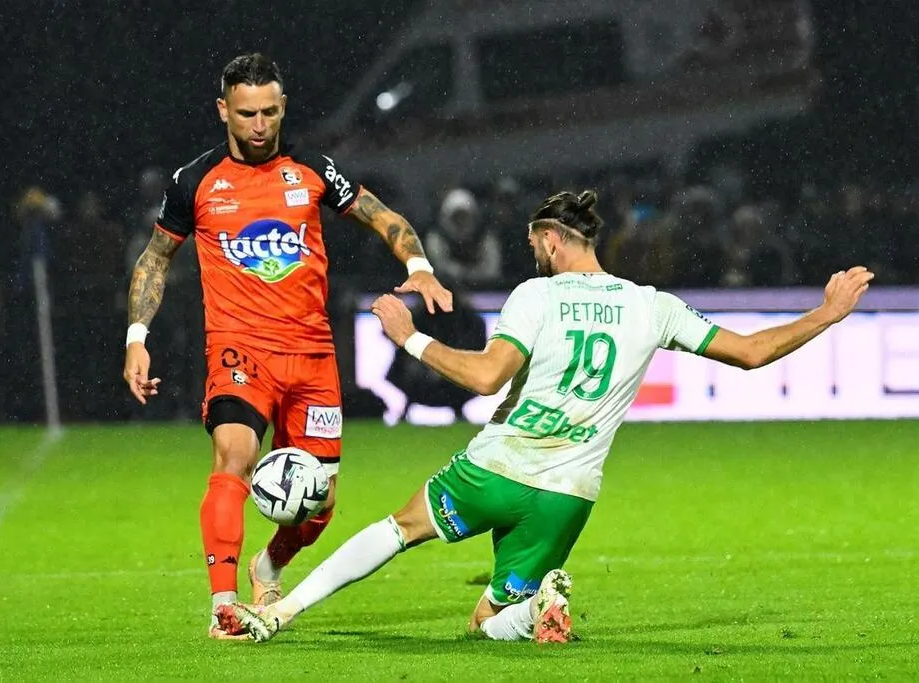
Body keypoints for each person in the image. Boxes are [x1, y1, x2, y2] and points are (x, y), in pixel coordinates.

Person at [222, 189, 874, 644]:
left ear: (555, 240)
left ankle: (280, 613)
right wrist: (827, 314)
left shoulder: (538, 295)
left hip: (498, 467)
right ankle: (537, 609)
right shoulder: (653, 305)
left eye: (536, 242)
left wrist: (409, 338)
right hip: (568, 493)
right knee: (487, 623)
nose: (533, 253)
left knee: (399, 528)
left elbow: (486, 377)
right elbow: (753, 352)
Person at [121, 53, 453, 640]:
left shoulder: (311, 169)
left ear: (283, 107)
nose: (259, 126)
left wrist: (420, 267)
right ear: (223, 110)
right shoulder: (195, 181)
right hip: (239, 349)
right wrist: (136, 336)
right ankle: (224, 605)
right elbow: (155, 258)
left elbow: (383, 217)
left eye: (269, 112)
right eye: (246, 113)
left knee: (318, 507)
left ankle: (269, 567)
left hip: (313, 357)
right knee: (233, 457)